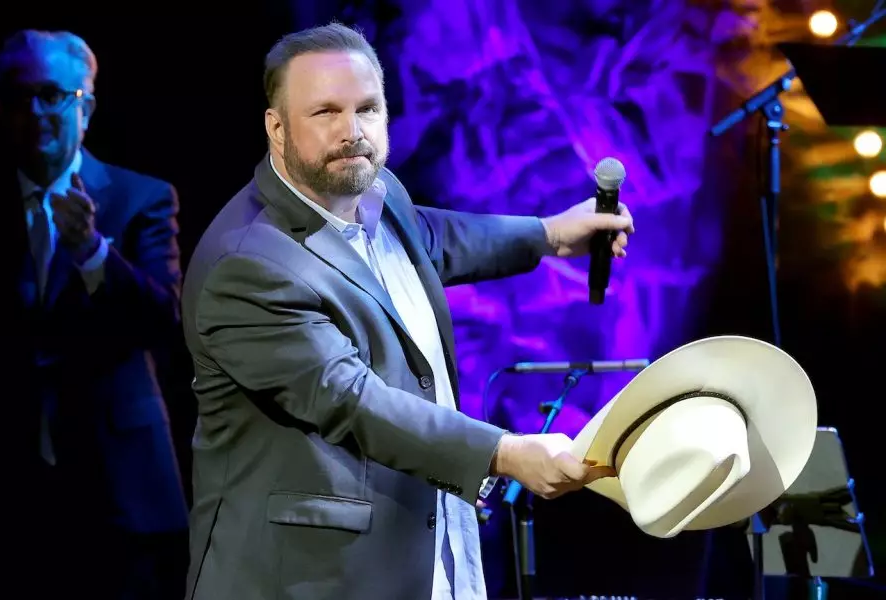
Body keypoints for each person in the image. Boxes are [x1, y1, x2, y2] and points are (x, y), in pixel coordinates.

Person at [181, 22, 633, 600]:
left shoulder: (375, 192)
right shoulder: (247, 266)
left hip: (420, 555)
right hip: (309, 579)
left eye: (368, 109)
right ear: (276, 127)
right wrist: (504, 453)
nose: (353, 132)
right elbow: (350, 399)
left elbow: (432, 237)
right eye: (326, 112)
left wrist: (548, 235)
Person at [0, 30, 188, 600]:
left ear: (84, 105)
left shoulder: (141, 197)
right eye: (18, 97)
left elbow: (166, 321)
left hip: (122, 493)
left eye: (50, 94)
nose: (33, 111)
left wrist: (93, 253)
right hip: (10, 496)